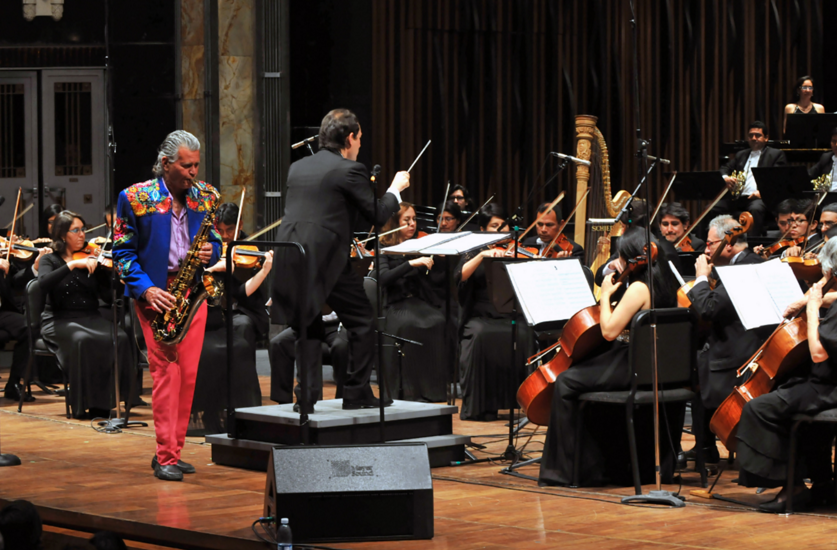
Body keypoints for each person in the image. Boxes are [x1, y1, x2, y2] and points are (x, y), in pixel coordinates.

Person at [272, 109, 409, 413]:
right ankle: (356, 393)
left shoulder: (298, 168)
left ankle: (304, 400)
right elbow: (377, 214)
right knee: (363, 322)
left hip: (292, 256)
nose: (360, 145)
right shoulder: (350, 169)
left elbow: (325, 210)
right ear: (350, 138)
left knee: (307, 326)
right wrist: (394, 191)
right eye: (359, 139)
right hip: (325, 262)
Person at [113, 130, 221, 481]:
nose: (193, 173)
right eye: (186, 166)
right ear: (165, 164)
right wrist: (145, 291)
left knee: (187, 375)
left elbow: (216, 241)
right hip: (156, 295)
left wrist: (211, 252)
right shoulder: (134, 197)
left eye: (196, 166)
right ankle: (165, 456)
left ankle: (173, 450)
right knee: (165, 372)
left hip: (193, 291)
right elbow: (122, 253)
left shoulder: (206, 197)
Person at [538, 228, 680, 486]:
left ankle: (569, 470)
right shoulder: (665, 280)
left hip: (634, 366)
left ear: (635, 258)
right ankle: (606, 464)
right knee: (585, 371)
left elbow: (609, 331)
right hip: (655, 365)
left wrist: (605, 294)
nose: (619, 261)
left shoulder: (638, 288)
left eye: (622, 257)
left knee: (567, 381)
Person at [736, 238, 837, 513]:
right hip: (827, 382)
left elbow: (818, 353)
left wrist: (813, 309)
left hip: (829, 386)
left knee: (761, 407)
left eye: (826, 274)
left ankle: (791, 487)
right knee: (789, 388)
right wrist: (808, 299)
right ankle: (823, 484)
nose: (823, 279)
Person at [683, 215, 772, 463]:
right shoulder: (755, 262)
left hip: (738, 361)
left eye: (710, 243)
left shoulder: (740, 269)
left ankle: (704, 451)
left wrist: (701, 277)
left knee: (695, 370)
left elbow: (707, 308)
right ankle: (705, 450)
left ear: (728, 244)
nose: (706, 249)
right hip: (754, 353)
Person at [186, 202, 273, 436]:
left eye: (229, 231)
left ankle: (241, 404)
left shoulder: (248, 250)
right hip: (210, 316)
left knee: (241, 332)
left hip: (244, 310)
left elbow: (242, 292)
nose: (224, 237)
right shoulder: (207, 254)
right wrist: (215, 266)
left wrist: (256, 271)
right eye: (220, 231)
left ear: (240, 226)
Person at [38, 211, 135, 419]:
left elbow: (108, 297)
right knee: (83, 339)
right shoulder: (50, 259)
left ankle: (109, 401)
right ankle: (84, 403)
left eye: (83, 229)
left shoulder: (92, 258)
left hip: (90, 316)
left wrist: (113, 276)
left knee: (120, 337)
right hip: (59, 319)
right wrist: (72, 265)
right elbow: (42, 284)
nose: (82, 235)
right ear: (63, 235)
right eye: (76, 230)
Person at [457, 203, 531, 420]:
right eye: (495, 226)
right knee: (480, 336)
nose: (501, 231)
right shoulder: (473, 250)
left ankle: (521, 402)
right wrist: (483, 256)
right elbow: (459, 276)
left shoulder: (514, 249)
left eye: (503, 226)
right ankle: (480, 406)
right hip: (480, 316)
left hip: (509, 315)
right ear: (483, 230)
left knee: (525, 334)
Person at [373, 202, 448, 402]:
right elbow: (383, 278)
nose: (412, 224)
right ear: (395, 222)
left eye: (414, 219)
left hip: (417, 301)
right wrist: (410, 263)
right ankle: (408, 391)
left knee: (438, 320)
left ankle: (431, 390)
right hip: (394, 305)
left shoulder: (419, 245)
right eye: (407, 220)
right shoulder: (384, 247)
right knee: (411, 324)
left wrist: (439, 258)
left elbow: (434, 279)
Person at [713, 121, 787, 236]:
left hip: (759, 198)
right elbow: (725, 168)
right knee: (712, 208)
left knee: (755, 209)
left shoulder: (776, 154)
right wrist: (726, 178)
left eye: (758, 135)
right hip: (739, 198)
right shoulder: (741, 154)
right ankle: (713, 241)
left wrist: (762, 192)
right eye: (751, 135)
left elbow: (778, 179)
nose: (753, 138)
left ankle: (753, 244)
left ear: (766, 138)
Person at [1, 243, 50, 401]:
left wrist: (36, 266)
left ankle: (13, 383)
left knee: (28, 327)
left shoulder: (5, 256)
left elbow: (17, 282)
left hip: (2, 312)